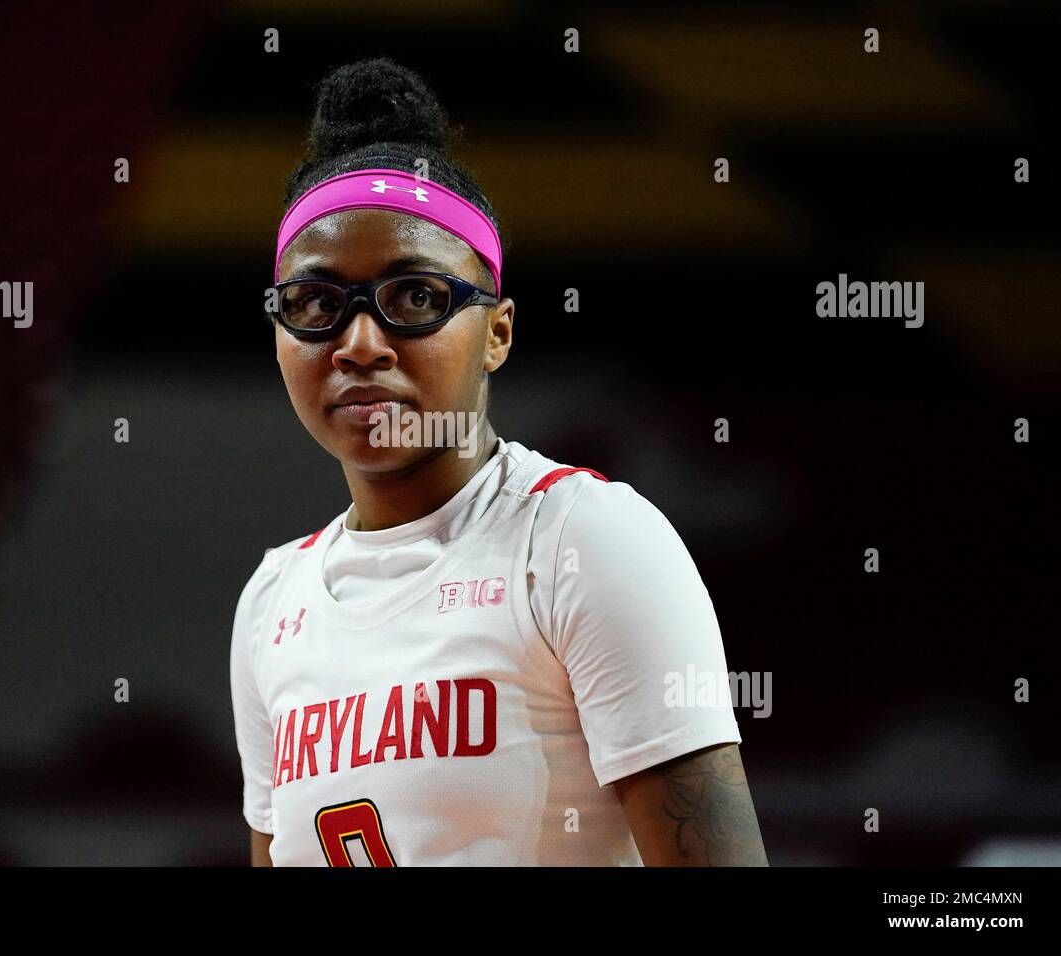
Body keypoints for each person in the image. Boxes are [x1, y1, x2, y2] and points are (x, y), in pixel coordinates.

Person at [230, 56, 767, 866]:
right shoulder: (273, 603)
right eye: (316, 304)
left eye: (417, 298)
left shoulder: (582, 539)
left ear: (499, 332)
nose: (361, 343)